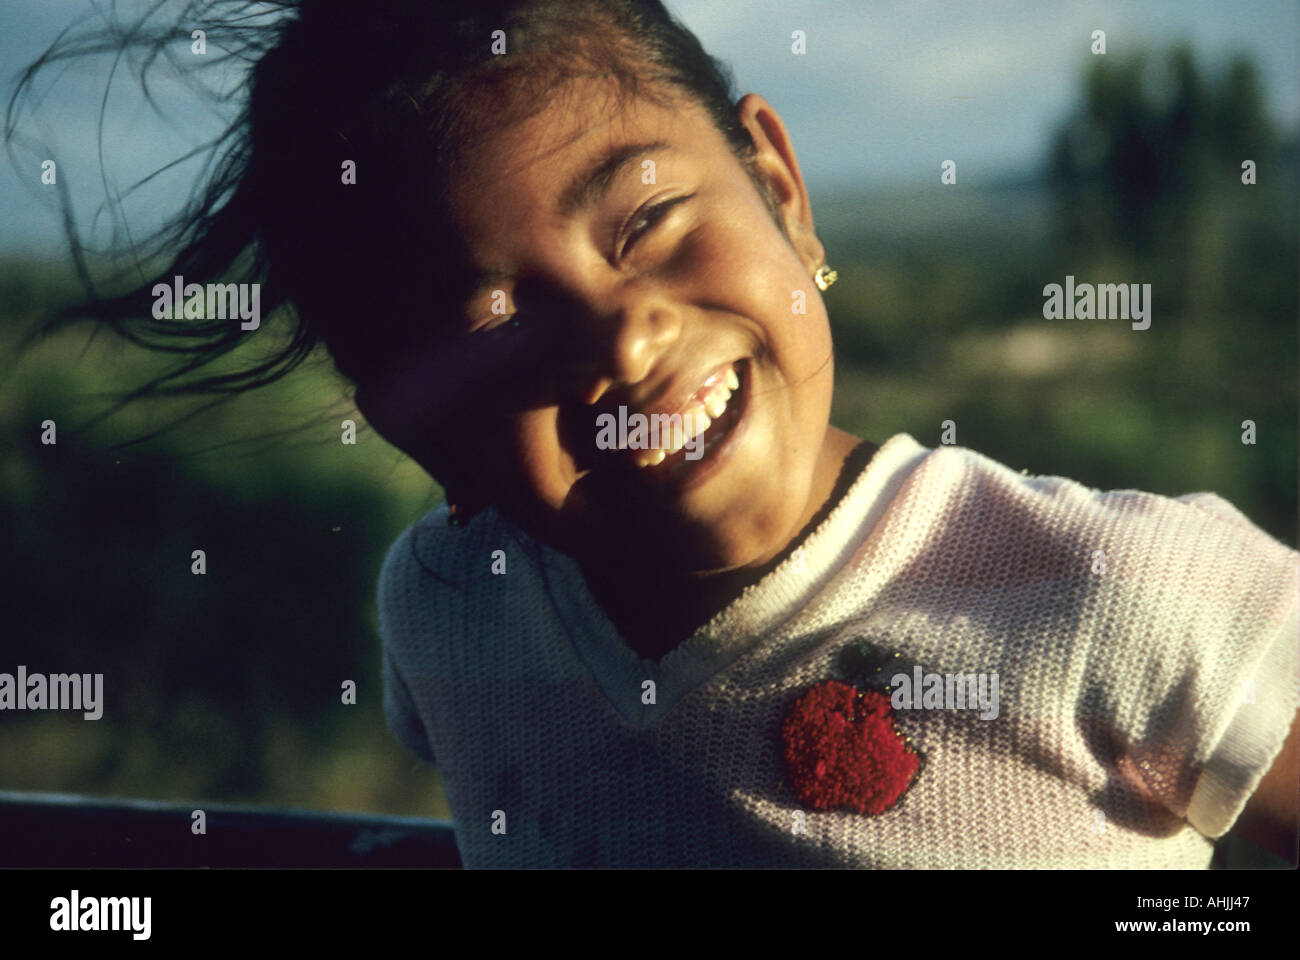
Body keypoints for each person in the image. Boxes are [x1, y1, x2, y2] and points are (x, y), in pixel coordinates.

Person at [16, 0, 1297, 867]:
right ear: (417, 435)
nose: (624, 341)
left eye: (648, 225)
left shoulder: (1117, 590)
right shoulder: (451, 612)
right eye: (493, 326)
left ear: (783, 196)